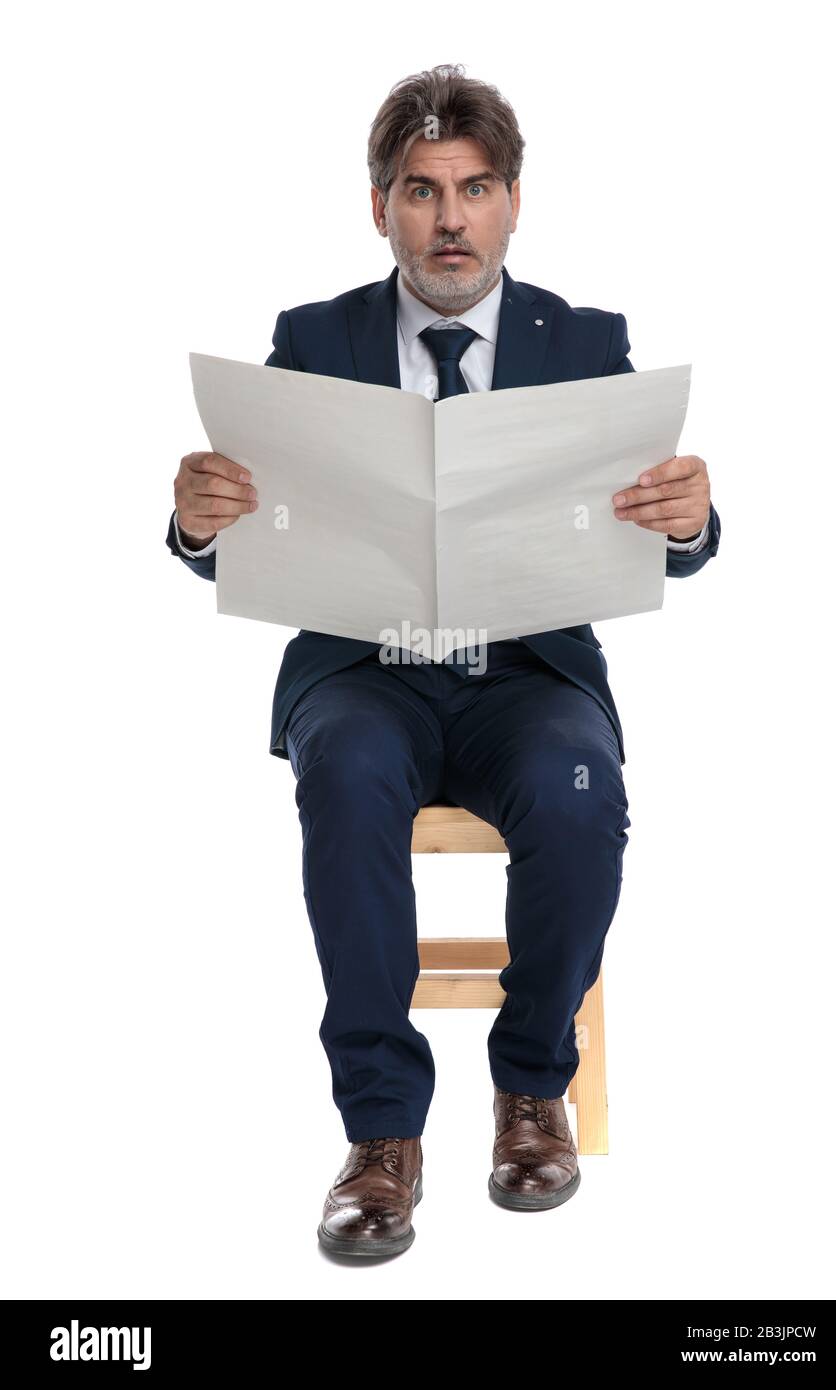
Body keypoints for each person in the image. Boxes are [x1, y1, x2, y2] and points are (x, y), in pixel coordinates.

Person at [166, 63, 720, 1258]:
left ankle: (531, 1089)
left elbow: (666, 550)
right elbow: (247, 548)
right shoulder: (312, 340)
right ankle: (381, 1135)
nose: (450, 219)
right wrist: (199, 524)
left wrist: (688, 520)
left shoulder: (583, 341)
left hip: (528, 678)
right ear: (380, 207)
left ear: (514, 200)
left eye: (473, 189)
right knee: (349, 770)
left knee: (582, 791)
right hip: (364, 671)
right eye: (421, 191)